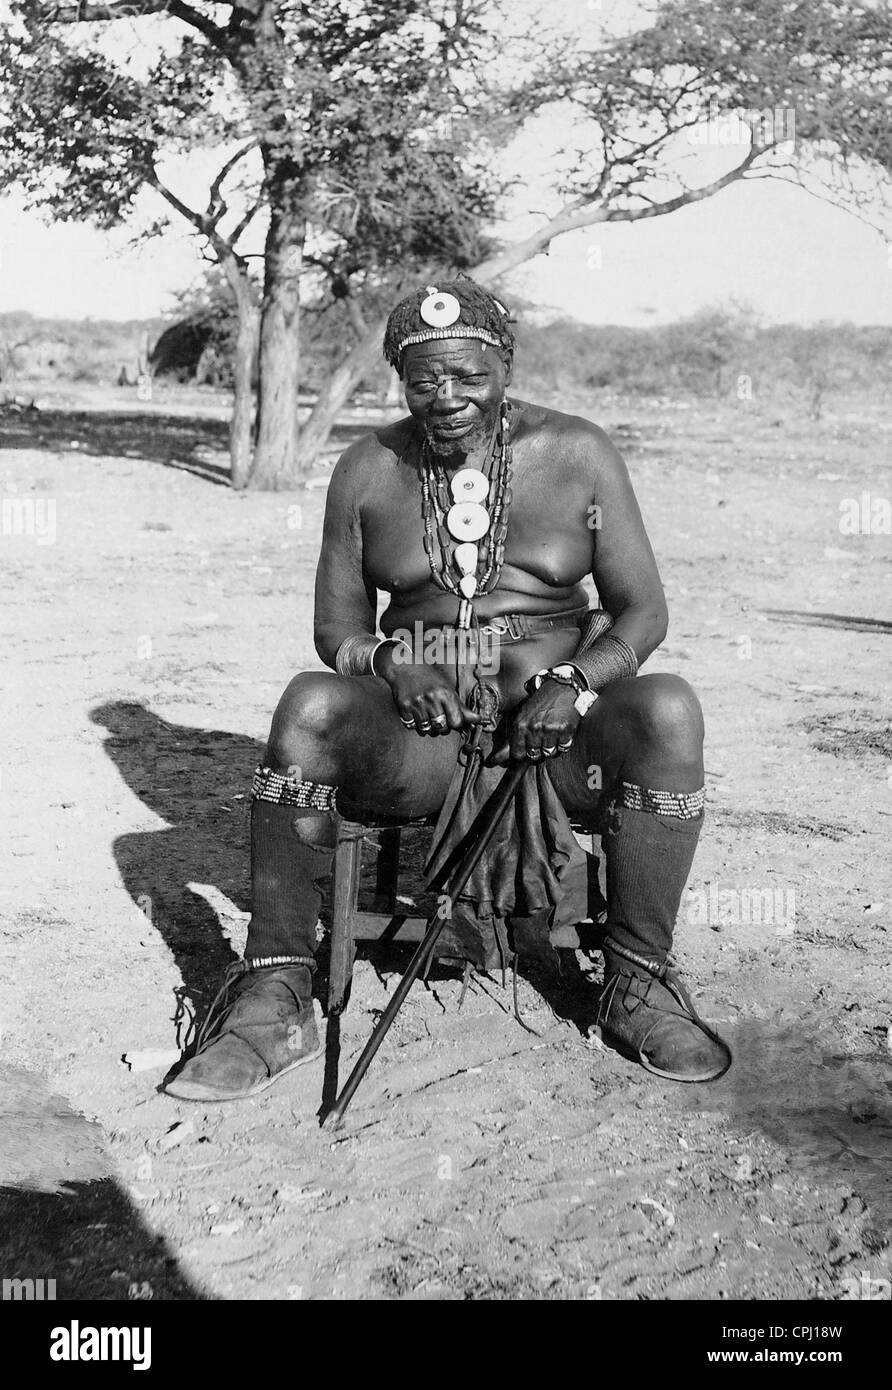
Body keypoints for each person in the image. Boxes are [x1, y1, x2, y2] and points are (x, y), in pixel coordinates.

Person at [165, 278, 730, 1103]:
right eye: (424, 380)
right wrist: (393, 664)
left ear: (505, 365)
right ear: (400, 378)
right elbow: (336, 630)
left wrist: (575, 683)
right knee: (308, 704)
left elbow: (642, 613)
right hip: (419, 737)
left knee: (670, 710)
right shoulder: (367, 468)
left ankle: (639, 979)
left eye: (470, 376)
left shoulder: (578, 453)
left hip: (555, 735)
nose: (448, 398)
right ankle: (275, 991)